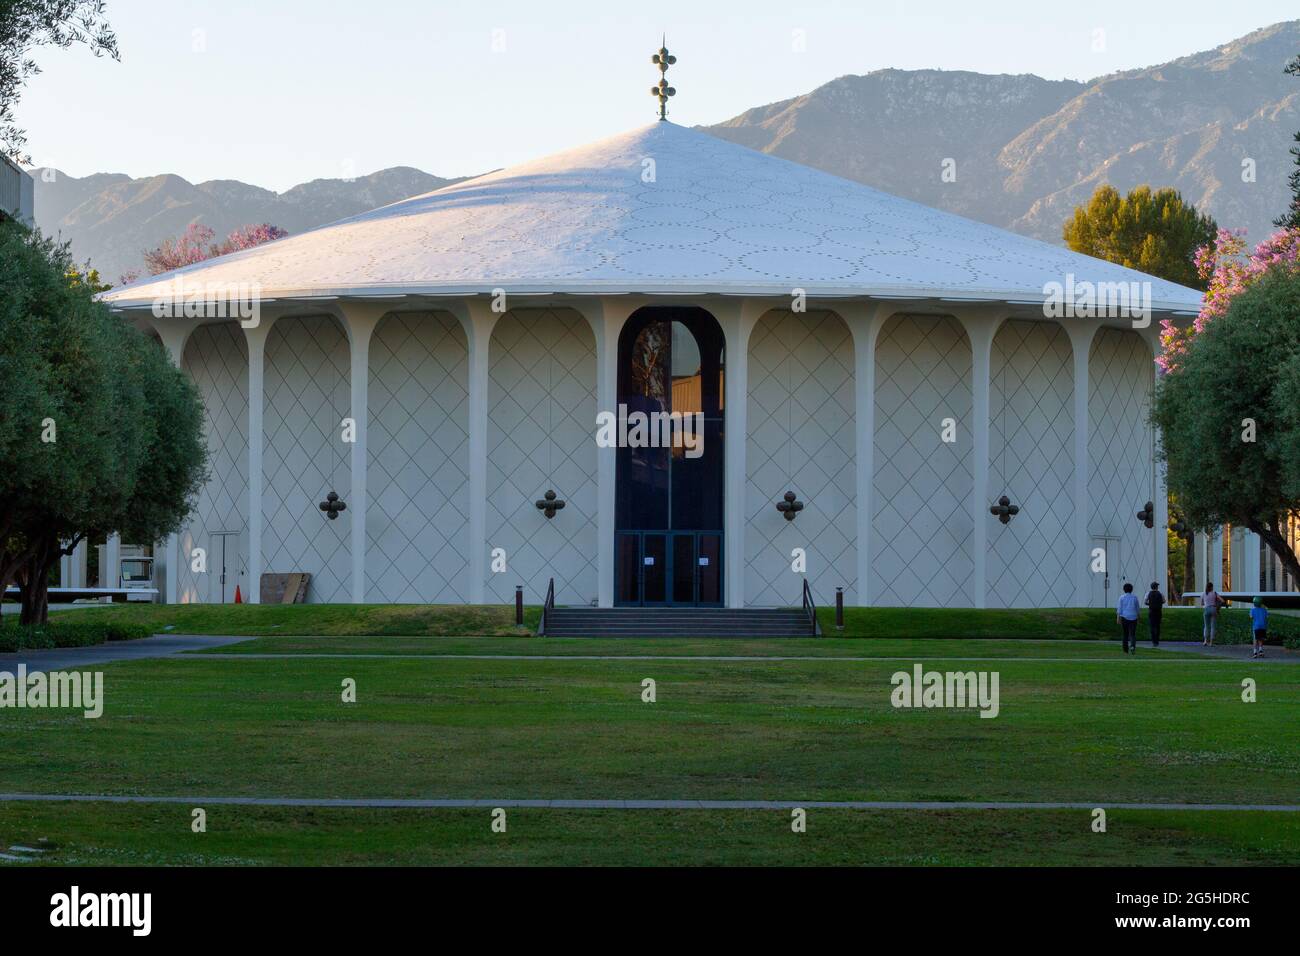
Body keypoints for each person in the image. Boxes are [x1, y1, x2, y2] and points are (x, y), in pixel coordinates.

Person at [1117, 582, 1140, 654]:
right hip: (1133, 617)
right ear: (1131, 589)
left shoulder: (1121, 597)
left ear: (1124, 589)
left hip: (1124, 617)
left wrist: (1118, 618)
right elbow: (1137, 609)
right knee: (1132, 634)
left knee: (1125, 634)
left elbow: (1119, 609)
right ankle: (1132, 646)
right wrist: (1138, 618)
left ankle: (1125, 650)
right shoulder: (1135, 597)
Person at [1145, 582, 1165, 647]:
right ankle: (1157, 641)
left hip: (1151, 612)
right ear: (1157, 587)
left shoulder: (1148, 593)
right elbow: (1164, 601)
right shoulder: (1160, 593)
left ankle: (1153, 641)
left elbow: (1145, 602)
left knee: (1152, 626)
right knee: (1158, 626)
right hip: (1158, 612)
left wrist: (1150, 604)